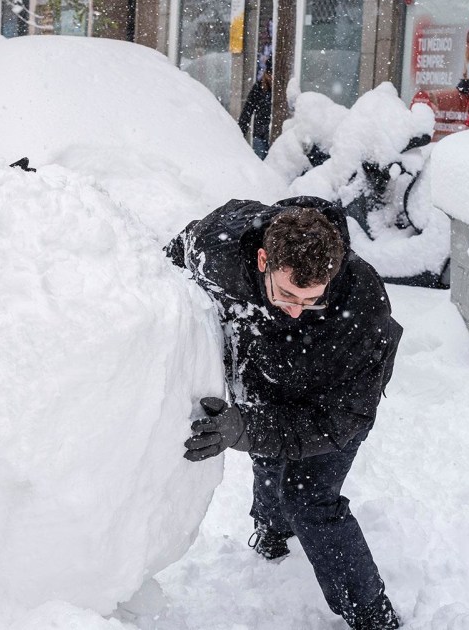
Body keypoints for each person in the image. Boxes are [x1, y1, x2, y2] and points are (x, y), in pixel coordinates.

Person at [165, 197, 403, 630]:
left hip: (330, 403)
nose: (294, 309)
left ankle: (371, 614)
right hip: (265, 379)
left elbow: (338, 422)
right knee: (269, 456)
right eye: (287, 293)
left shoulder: (362, 310)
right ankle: (272, 529)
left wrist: (247, 429)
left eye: (311, 299)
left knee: (309, 498)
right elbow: (171, 261)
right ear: (261, 259)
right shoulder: (221, 249)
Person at [238, 63, 273, 160]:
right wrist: (240, 132)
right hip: (260, 135)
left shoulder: (279, 91)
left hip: (273, 135)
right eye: (269, 74)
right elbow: (247, 110)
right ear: (265, 74)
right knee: (260, 161)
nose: (271, 77)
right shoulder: (258, 88)